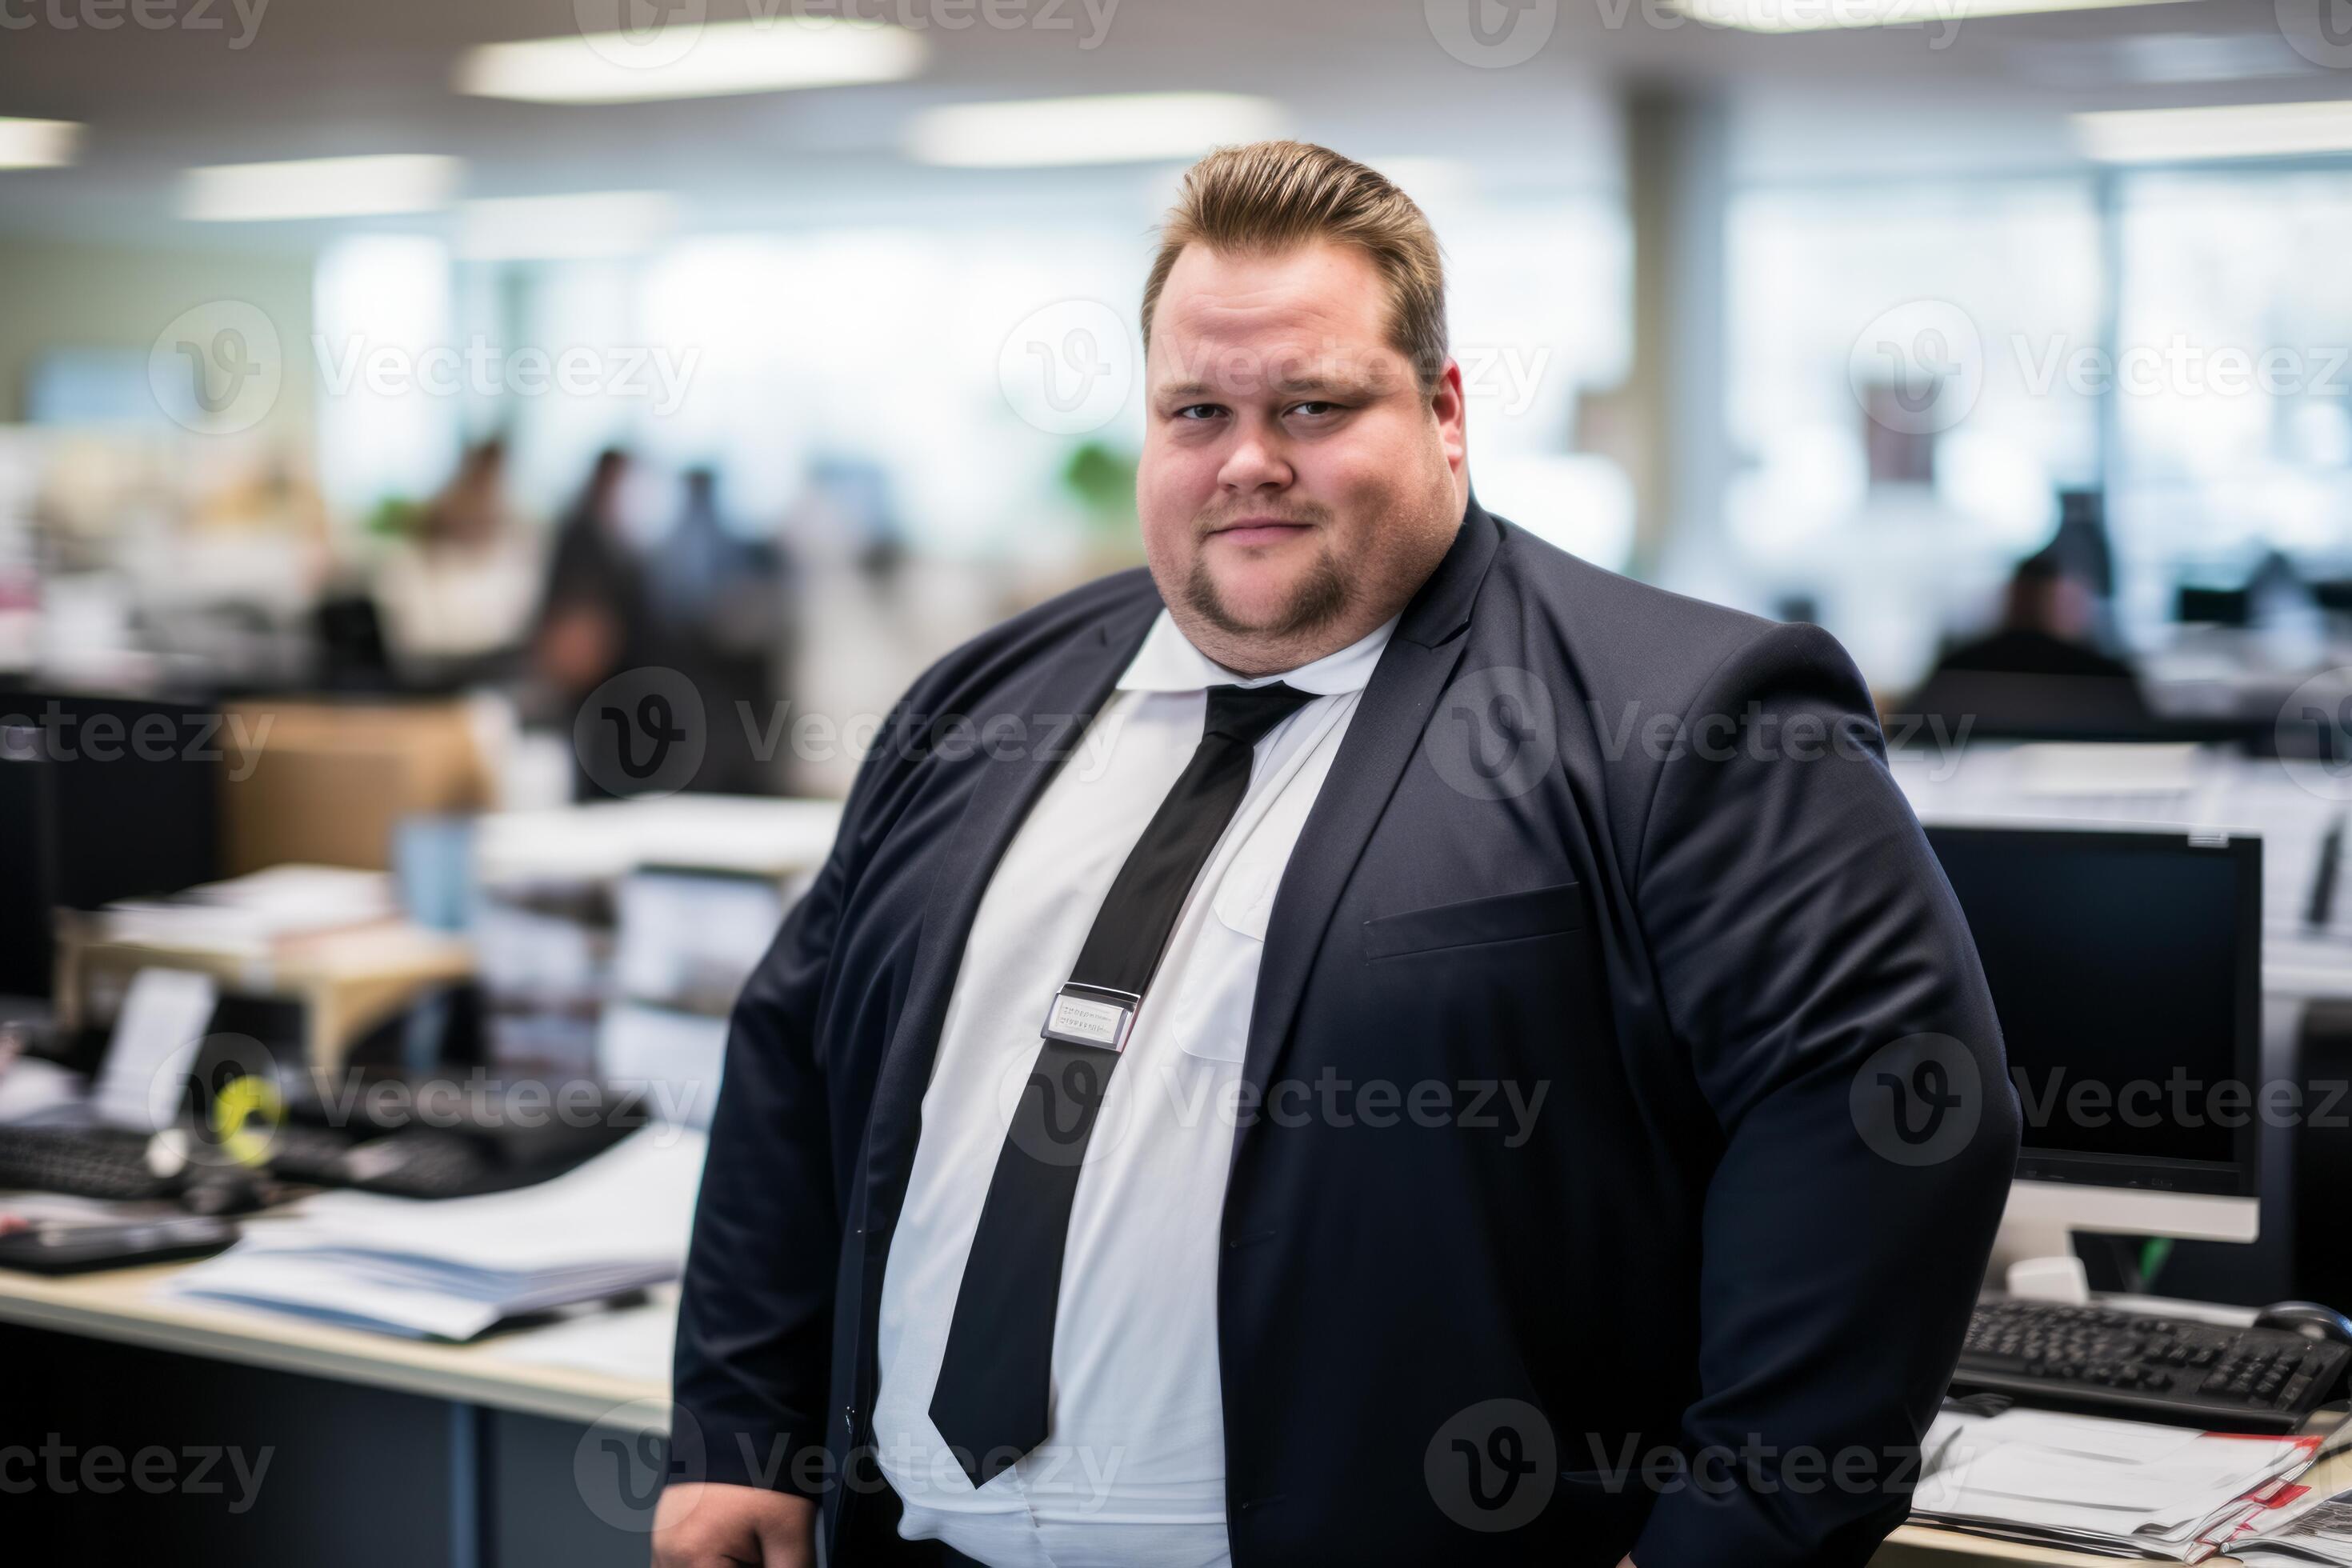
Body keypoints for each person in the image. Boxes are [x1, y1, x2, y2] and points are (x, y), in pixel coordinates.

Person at [657, 142, 2018, 1568]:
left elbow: (1884, 1127)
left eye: (1312, 404)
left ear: (1442, 412)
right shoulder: (979, 708)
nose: (1249, 459)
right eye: (1198, 410)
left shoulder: (1682, 718)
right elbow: (794, 1053)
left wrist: (1725, 1549)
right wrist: (743, 1426)